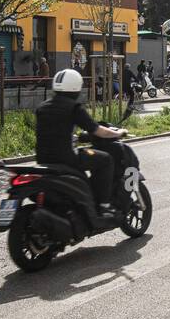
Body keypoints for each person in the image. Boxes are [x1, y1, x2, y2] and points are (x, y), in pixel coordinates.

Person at [35, 69, 128, 216]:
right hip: (66, 157)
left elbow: (53, 131)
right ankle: (104, 205)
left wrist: (76, 138)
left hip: (43, 159)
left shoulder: (43, 107)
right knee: (106, 159)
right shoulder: (74, 107)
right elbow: (97, 130)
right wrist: (118, 133)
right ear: (75, 87)